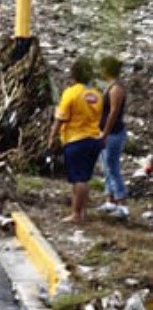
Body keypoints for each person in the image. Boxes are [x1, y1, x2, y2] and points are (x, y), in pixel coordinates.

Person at [47, 57, 103, 224]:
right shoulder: (96, 94)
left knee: (78, 179)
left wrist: (51, 137)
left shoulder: (71, 93)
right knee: (84, 177)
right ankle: (82, 212)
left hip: (76, 140)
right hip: (94, 139)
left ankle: (76, 214)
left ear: (74, 75)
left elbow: (60, 118)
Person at [97, 55, 128, 219]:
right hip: (107, 132)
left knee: (112, 167)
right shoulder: (110, 87)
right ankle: (109, 201)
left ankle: (122, 205)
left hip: (113, 133)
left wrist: (105, 133)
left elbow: (114, 112)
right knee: (106, 167)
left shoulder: (116, 88)